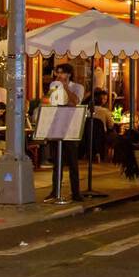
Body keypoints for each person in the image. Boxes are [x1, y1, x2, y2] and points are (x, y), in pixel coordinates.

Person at [46, 64, 83, 201]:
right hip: (56, 124)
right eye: (57, 73)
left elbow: (75, 102)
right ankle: (55, 190)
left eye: (62, 73)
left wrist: (65, 87)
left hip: (71, 125)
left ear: (68, 74)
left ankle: (76, 191)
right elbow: (49, 101)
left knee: (72, 160)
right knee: (57, 161)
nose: (59, 75)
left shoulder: (77, 87)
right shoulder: (54, 85)